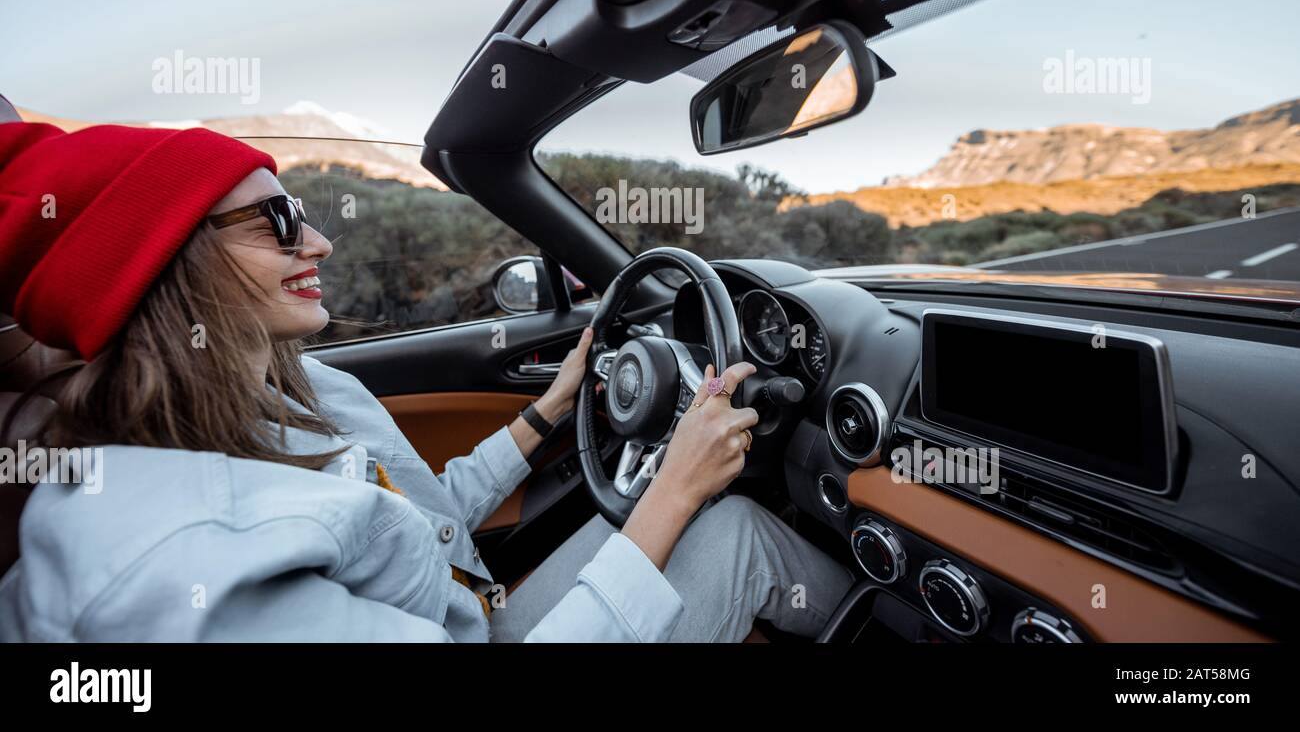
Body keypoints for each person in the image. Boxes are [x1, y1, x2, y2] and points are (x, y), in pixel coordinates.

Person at [0, 121, 853, 641]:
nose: (320, 245)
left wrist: (552, 408)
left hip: (475, 620)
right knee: (731, 525)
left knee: (711, 507)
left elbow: (426, 516)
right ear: (167, 263)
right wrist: (669, 492)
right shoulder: (166, 565)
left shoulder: (310, 390)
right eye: (278, 220)